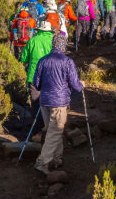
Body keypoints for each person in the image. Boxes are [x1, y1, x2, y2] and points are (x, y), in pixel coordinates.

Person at [32, 34, 84, 174]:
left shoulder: (43, 61)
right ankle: (42, 162)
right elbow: (75, 84)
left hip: (44, 101)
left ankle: (57, 158)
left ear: (53, 44)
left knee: (52, 131)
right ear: (63, 45)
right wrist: (81, 86)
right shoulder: (67, 61)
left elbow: (36, 83)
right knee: (55, 132)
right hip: (59, 102)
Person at [20, 21, 55, 137]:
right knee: (49, 103)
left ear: (38, 30)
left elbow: (24, 58)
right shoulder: (53, 41)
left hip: (34, 77)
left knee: (36, 104)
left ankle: (38, 130)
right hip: (50, 77)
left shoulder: (33, 40)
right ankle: (49, 129)